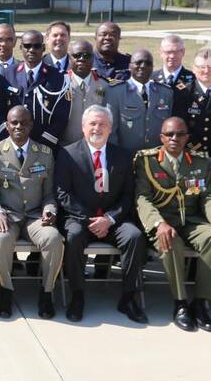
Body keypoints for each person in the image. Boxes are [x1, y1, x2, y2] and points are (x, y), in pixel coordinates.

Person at [135, 117, 211, 332]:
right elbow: (142, 198)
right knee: (171, 242)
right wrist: (158, 223)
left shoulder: (200, 162)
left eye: (179, 134)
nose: (174, 138)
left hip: (193, 220)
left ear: (187, 137)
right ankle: (180, 304)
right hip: (164, 222)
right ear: (162, 137)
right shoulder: (146, 160)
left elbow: (208, 196)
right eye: (169, 134)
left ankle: (201, 303)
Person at [55, 105, 146, 323]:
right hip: (79, 219)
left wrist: (109, 219)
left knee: (134, 237)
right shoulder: (68, 154)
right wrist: (89, 219)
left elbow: (128, 195)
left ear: (111, 128)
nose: (97, 128)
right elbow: (62, 193)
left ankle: (128, 297)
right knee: (74, 237)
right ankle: (77, 295)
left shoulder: (123, 156)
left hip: (114, 220)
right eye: (92, 123)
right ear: (83, 127)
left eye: (102, 124)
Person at [0, 105, 61, 318]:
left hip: (36, 216)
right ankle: (6, 291)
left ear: (31, 126)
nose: (18, 127)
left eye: (23, 123)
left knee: (53, 239)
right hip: (8, 215)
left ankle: (46, 294)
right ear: (7, 125)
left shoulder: (44, 154)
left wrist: (50, 211)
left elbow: (49, 195)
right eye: (14, 123)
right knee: (1, 239)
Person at [105, 49, 174, 155]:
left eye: (148, 63)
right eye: (138, 63)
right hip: (126, 157)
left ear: (152, 67)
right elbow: (111, 131)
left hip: (157, 158)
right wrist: (116, 156)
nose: (143, 66)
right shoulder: (115, 92)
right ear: (129, 66)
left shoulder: (166, 93)